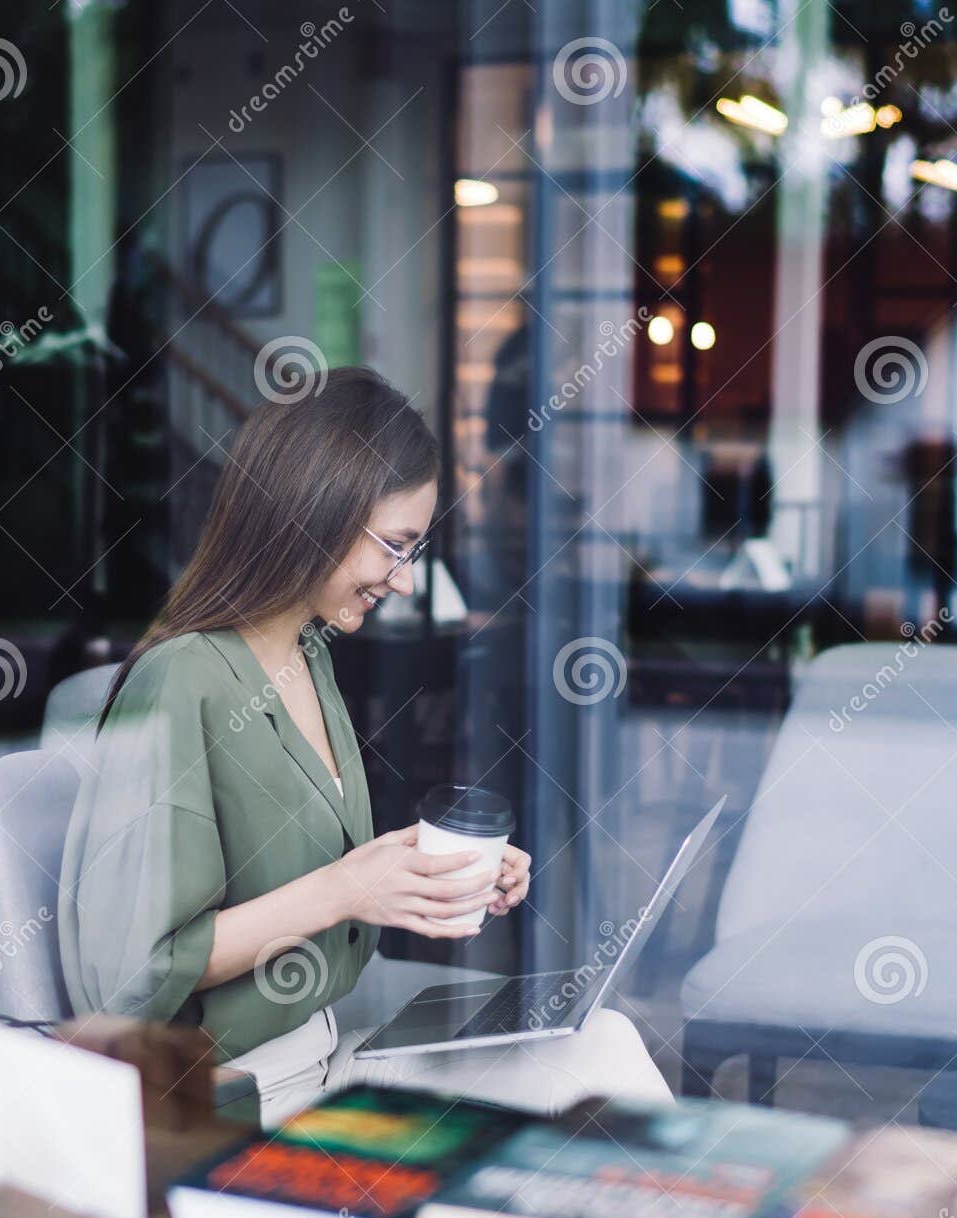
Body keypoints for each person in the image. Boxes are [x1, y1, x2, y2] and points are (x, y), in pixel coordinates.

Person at [59, 367, 670, 1123]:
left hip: (330, 1057)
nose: (406, 582)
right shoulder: (184, 679)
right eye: (396, 546)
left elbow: (315, 872)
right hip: (242, 1098)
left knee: (599, 1043)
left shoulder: (306, 657)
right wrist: (348, 890)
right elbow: (127, 978)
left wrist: (425, 872)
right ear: (312, 512)